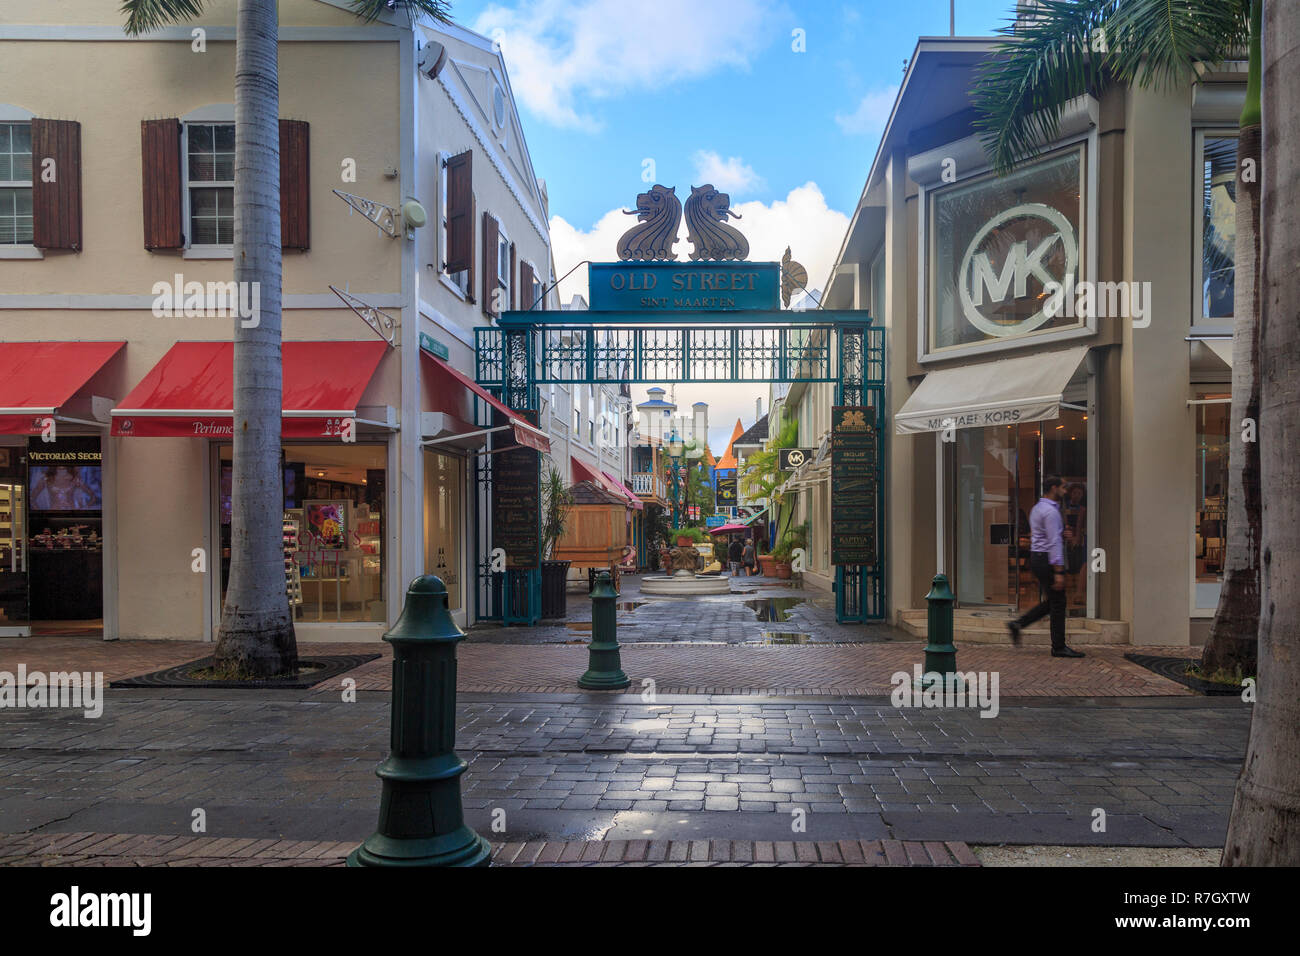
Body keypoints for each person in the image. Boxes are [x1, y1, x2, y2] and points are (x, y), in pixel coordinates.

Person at [1007, 476, 1084, 657]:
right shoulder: (1051, 512)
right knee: (1058, 602)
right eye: (1063, 488)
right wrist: (1059, 570)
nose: (1065, 491)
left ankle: (1018, 624)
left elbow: (1043, 535)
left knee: (1054, 600)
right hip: (1046, 559)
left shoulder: (1037, 508)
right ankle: (1058, 647)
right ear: (1054, 488)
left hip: (1037, 557)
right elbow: (1053, 542)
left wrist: (1060, 534)